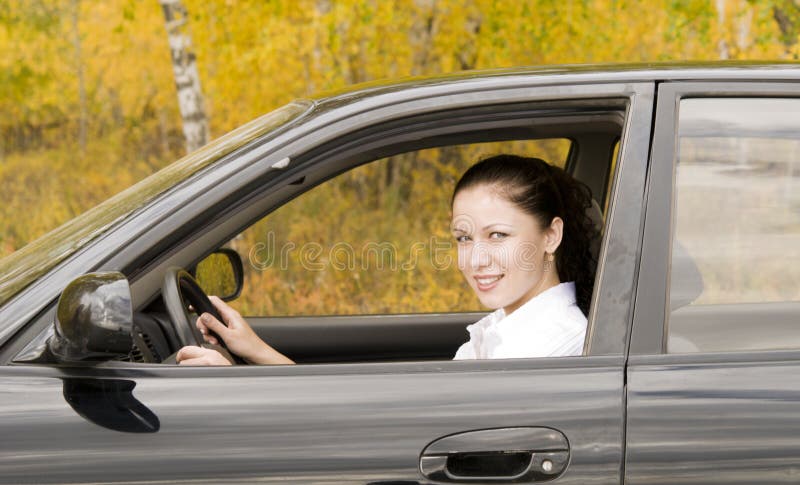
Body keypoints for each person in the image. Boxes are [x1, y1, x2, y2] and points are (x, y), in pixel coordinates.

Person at [176, 154, 598, 365]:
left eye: (498, 235)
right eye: (464, 238)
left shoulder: (551, 348)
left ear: (551, 235)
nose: (476, 259)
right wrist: (256, 351)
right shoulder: (504, 332)